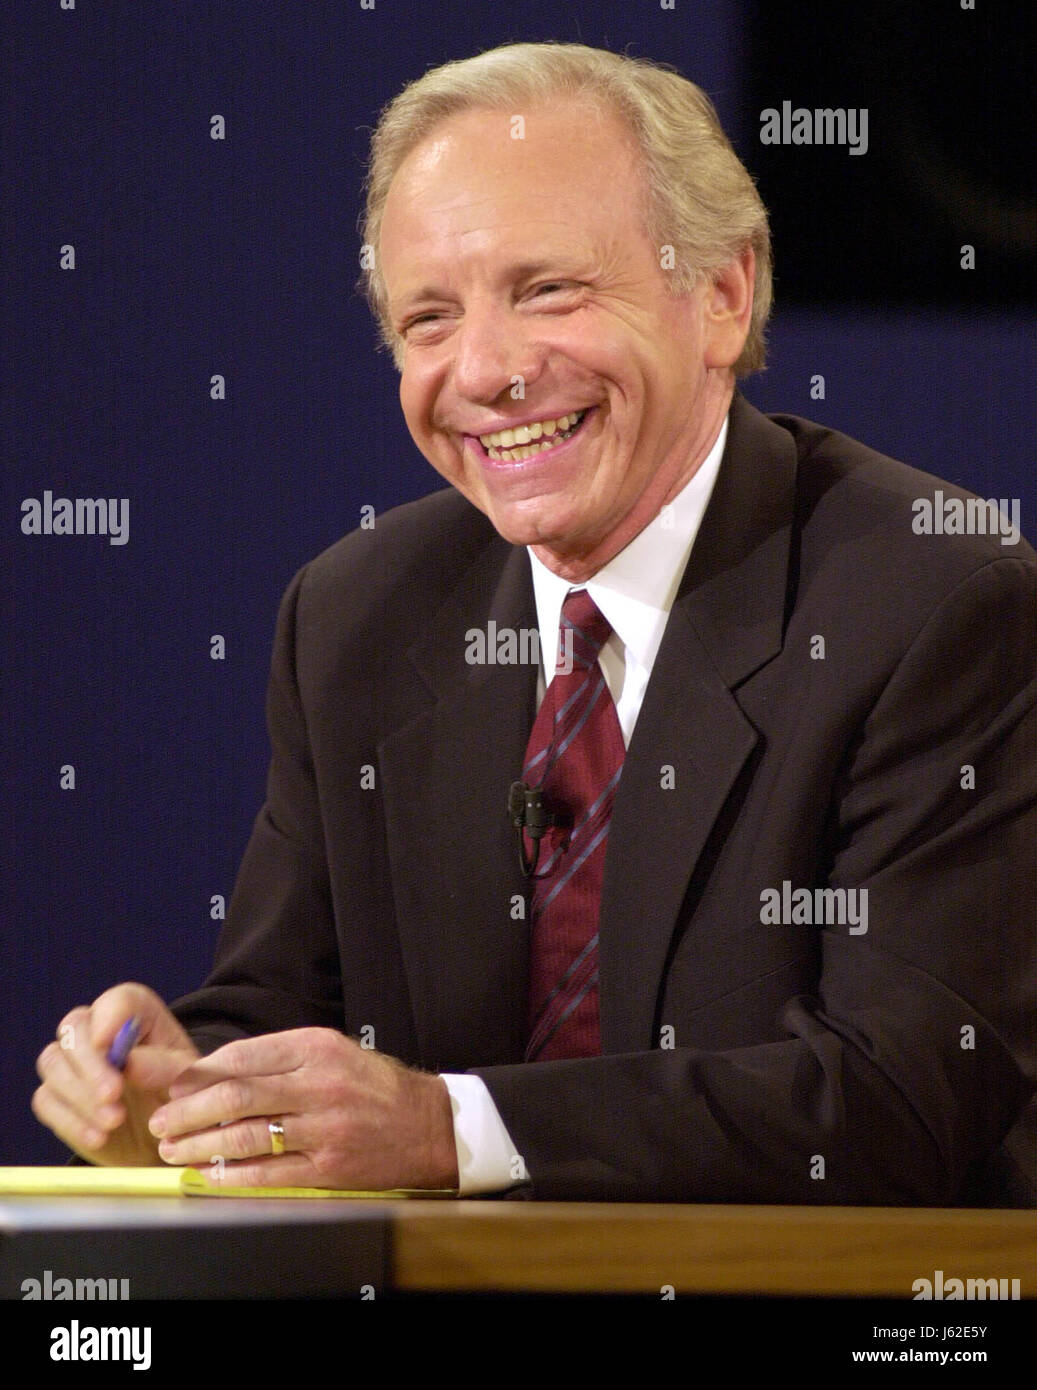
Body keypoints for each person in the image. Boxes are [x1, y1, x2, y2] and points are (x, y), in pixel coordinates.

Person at [33, 42, 1037, 1203]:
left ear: (720, 294)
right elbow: (284, 1005)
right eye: (426, 319)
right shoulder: (358, 617)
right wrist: (193, 1086)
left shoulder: (935, 602)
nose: (485, 371)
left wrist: (447, 1128)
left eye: (546, 289)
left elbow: (899, 1097)